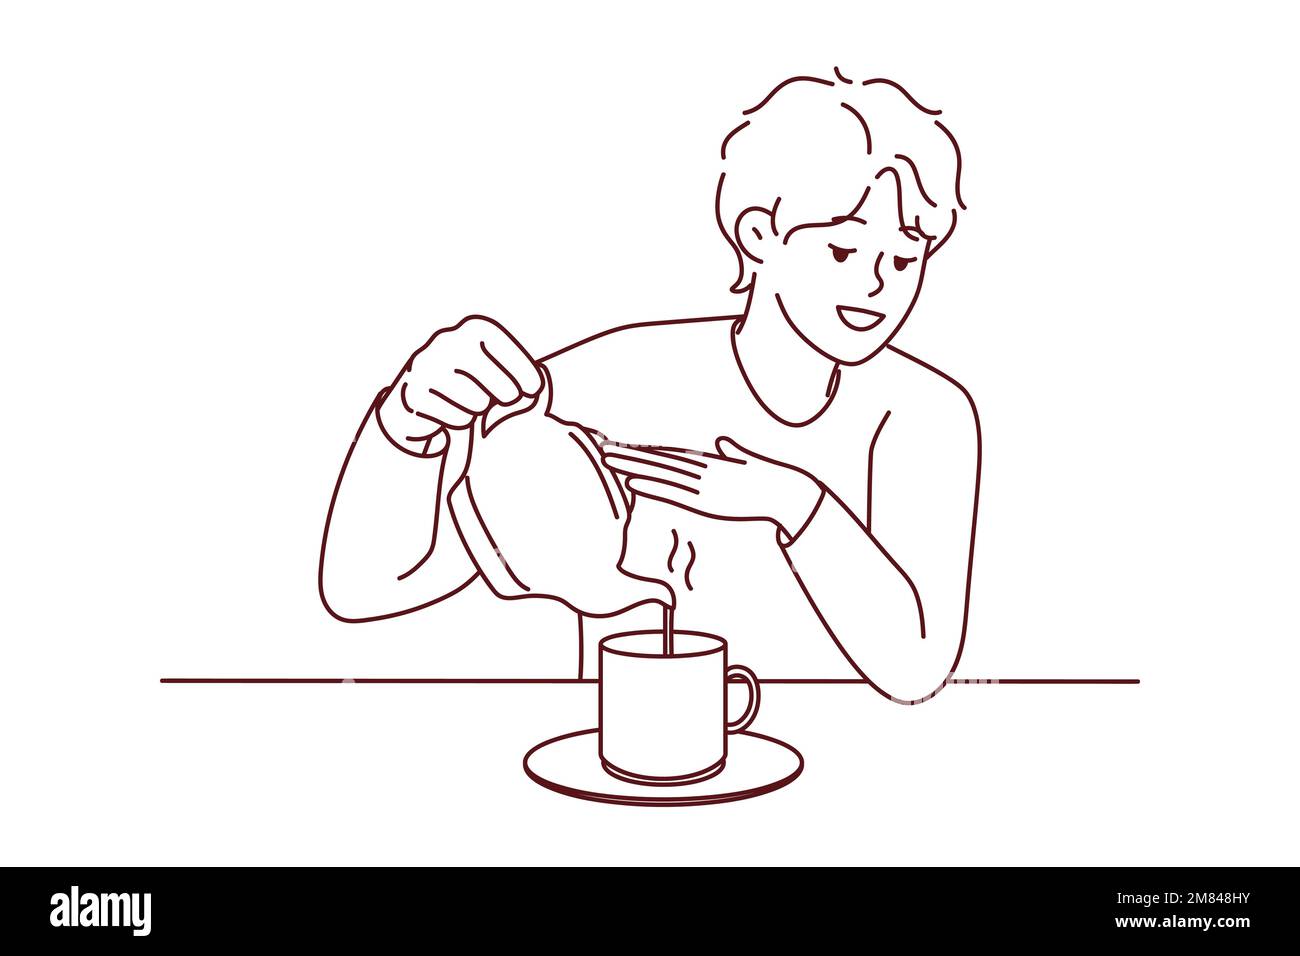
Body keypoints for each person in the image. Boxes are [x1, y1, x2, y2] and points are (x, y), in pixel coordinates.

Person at [320, 71, 980, 704]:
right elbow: (367, 590)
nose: (877, 286)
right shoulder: (616, 384)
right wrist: (405, 424)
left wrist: (794, 502)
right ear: (758, 234)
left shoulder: (928, 415)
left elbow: (916, 666)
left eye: (903, 258)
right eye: (842, 251)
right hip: (630, 773)